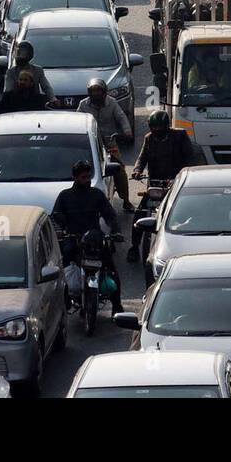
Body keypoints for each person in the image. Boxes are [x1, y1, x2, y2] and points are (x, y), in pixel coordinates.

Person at [52, 160, 121, 314]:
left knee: (110, 267)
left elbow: (110, 214)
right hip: (73, 239)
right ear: (75, 178)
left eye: (89, 177)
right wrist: (61, 226)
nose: (87, 180)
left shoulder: (96, 195)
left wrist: (116, 231)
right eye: (84, 177)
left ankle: (117, 305)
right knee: (63, 268)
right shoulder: (65, 196)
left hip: (94, 239)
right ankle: (66, 300)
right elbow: (56, 215)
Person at [129, 110, 200, 261]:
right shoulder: (149, 139)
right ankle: (134, 247)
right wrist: (136, 171)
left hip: (177, 184)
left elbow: (190, 159)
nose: (156, 131)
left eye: (159, 127)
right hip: (155, 184)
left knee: (188, 212)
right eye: (153, 127)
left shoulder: (180, 137)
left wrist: (181, 177)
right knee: (140, 213)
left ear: (167, 126)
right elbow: (142, 158)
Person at [78, 77, 134, 210]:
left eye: (99, 91)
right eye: (93, 91)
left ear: (104, 92)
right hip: (90, 142)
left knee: (119, 169)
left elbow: (121, 117)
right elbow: (78, 119)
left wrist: (127, 131)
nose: (96, 94)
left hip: (109, 142)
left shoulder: (112, 103)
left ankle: (126, 200)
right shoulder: (83, 104)